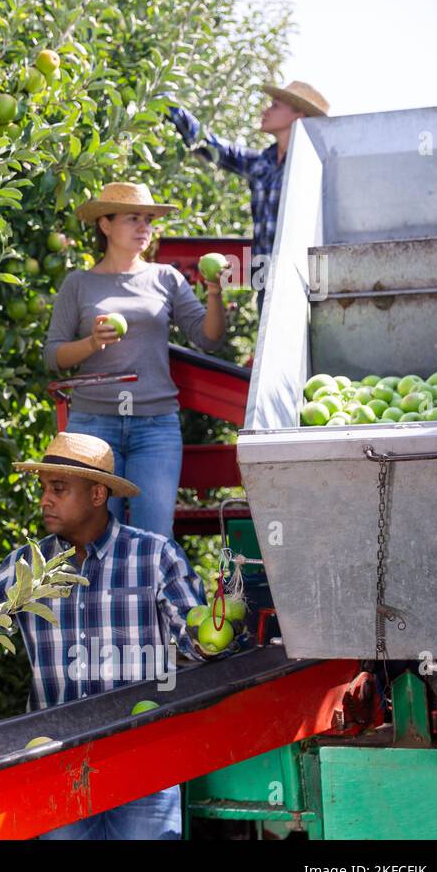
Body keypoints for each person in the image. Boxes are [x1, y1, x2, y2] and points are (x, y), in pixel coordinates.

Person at [0, 432, 226, 839]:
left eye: (59, 489)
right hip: (55, 764)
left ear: (98, 494)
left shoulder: (154, 557)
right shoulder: (25, 567)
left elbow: (195, 641)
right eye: (44, 488)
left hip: (142, 757)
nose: (45, 499)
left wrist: (219, 631)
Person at [44, 181, 226, 541]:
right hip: (92, 427)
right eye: (133, 219)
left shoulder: (166, 278)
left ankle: (149, 600)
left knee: (154, 536)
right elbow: (54, 357)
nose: (144, 227)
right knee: (90, 535)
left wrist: (215, 291)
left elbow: (209, 338)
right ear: (105, 225)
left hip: (154, 426)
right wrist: (93, 342)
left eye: (148, 219)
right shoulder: (78, 284)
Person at [164, 80, 331, 313]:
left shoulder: (316, 165)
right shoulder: (261, 164)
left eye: (275, 106)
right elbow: (209, 146)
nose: (265, 111)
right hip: (268, 282)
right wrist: (170, 106)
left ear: (298, 116)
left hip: (307, 281)